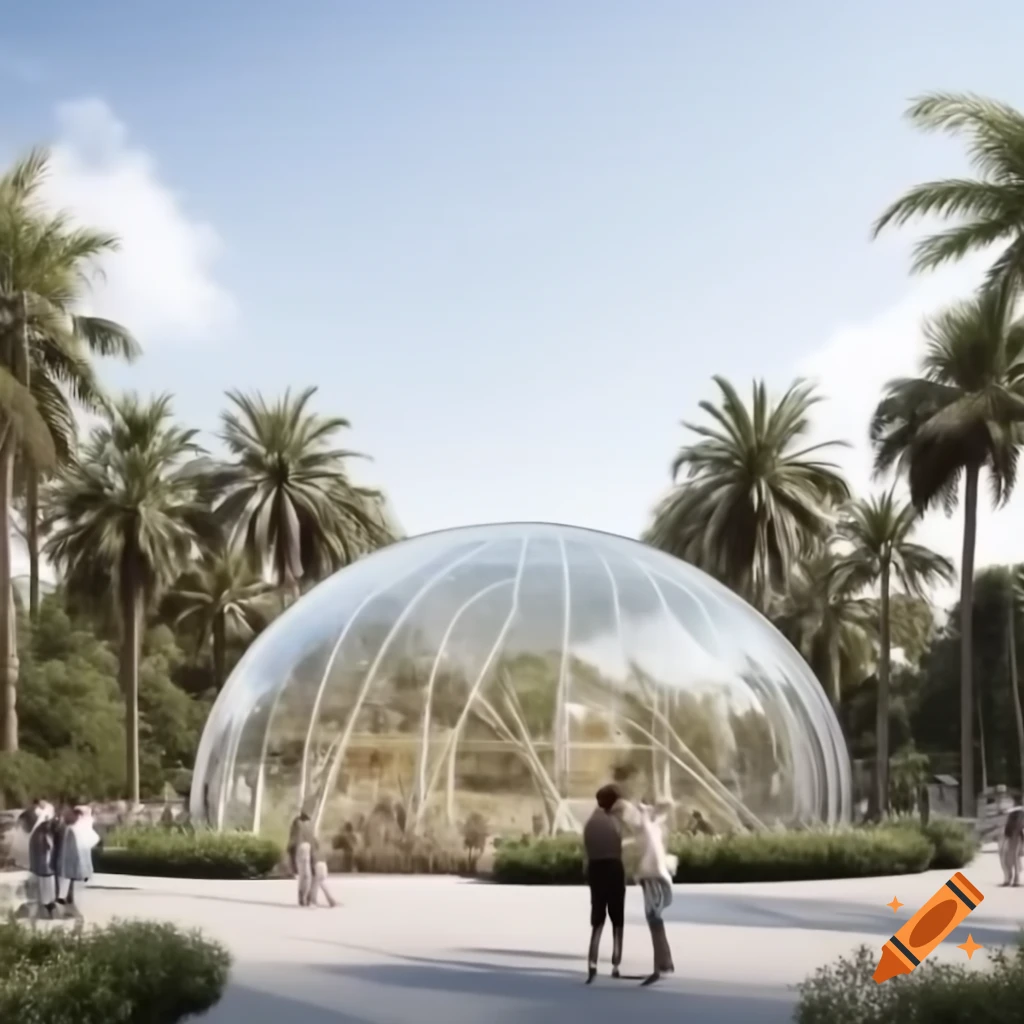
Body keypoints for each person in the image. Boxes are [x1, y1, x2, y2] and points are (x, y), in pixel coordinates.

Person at [583, 783, 626, 983]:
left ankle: (592, 962)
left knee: (598, 915)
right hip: (613, 868)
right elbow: (623, 842)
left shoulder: (591, 822)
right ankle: (616, 963)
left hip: (595, 869)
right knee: (617, 917)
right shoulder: (615, 821)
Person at [634, 802, 678, 986]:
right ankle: (665, 963)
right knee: (656, 924)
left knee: (655, 923)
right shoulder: (658, 829)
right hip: (656, 879)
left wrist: (644, 812)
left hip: (653, 880)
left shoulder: (651, 829)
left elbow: (646, 825)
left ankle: (659, 968)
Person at [58, 804, 100, 910]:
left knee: (68, 878)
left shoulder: (72, 827)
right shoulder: (77, 827)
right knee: (71, 878)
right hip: (75, 855)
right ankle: (68, 898)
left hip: (71, 855)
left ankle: (65, 897)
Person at [1000, 800, 1024, 886]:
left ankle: (1015, 879)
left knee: (1014, 857)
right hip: (1011, 836)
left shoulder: (1019, 813)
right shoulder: (1013, 813)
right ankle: (1010, 878)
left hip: (1016, 836)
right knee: (1008, 858)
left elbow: (1019, 825)